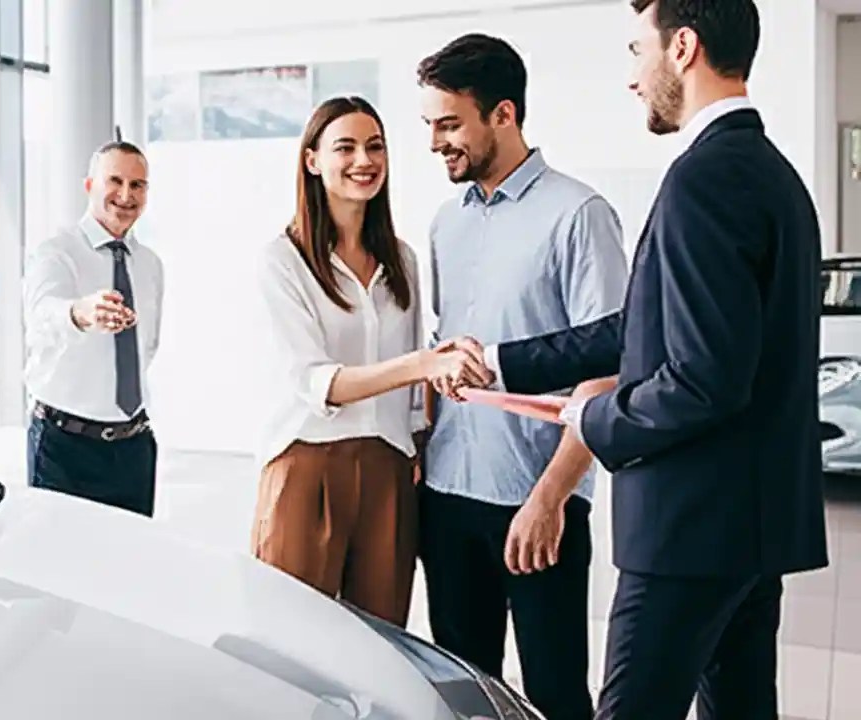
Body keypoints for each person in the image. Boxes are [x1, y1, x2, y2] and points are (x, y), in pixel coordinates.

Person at [429, 2, 830, 718]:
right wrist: (497, 360)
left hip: (689, 530)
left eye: (635, 50)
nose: (631, 78)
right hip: (750, 525)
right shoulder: (769, 173)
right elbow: (643, 328)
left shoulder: (705, 181)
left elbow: (704, 381)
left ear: (682, 47)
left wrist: (593, 417)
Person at [414, 34, 627, 720]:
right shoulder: (446, 223)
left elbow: (608, 367)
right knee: (464, 691)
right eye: (429, 126)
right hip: (447, 498)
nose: (436, 143)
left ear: (503, 114)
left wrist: (551, 498)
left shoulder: (578, 214)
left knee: (555, 695)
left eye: (449, 124)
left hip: (538, 502)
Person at [251, 95, 489, 627]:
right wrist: (424, 364)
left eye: (375, 146)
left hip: (389, 471)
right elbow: (317, 382)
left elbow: (410, 398)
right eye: (346, 147)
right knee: (291, 642)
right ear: (312, 160)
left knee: (382, 642)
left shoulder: (401, 258)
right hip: (307, 467)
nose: (365, 160)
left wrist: (420, 437)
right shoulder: (282, 260)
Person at [22, 140, 163, 517]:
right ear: (89, 186)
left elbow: (147, 347)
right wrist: (80, 312)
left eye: (138, 185)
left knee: (129, 564)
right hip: (64, 448)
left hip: (133, 448)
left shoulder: (150, 264)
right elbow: (41, 314)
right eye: (114, 181)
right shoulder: (56, 253)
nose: (125, 195)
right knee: (59, 570)